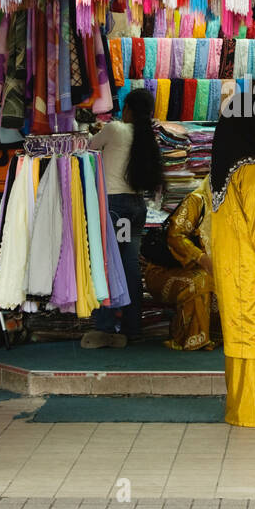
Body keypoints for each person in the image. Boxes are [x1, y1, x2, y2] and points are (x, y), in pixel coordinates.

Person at [210, 86, 255, 427]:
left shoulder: (222, 163)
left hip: (228, 266)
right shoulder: (250, 167)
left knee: (239, 332)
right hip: (250, 266)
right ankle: (251, 408)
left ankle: (253, 402)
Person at [83, 88, 163, 348]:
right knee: (129, 268)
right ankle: (132, 327)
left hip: (115, 207)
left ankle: (105, 327)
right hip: (135, 207)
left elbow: (88, 147)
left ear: (127, 109)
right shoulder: (146, 137)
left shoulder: (115, 129)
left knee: (108, 266)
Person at [143, 183, 216, 351]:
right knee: (201, 281)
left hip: (203, 270)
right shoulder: (197, 201)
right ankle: (190, 337)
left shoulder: (229, 208)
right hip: (163, 273)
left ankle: (216, 334)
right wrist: (202, 259)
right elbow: (175, 235)